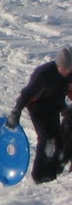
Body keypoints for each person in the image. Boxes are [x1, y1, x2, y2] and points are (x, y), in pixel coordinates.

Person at [8, 48, 72, 184]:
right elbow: (26, 94)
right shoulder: (44, 74)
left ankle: (53, 171)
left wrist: (64, 108)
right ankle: (40, 175)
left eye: (70, 68)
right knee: (47, 138)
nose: (67, 71)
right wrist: (16, 111)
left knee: (58, 138)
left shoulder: (69, 75)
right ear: (58, 65)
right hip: (38, 108)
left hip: (55, 106)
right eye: (64, 68)